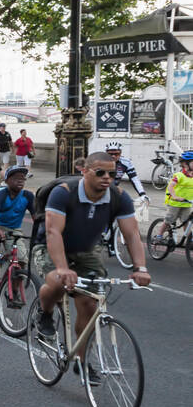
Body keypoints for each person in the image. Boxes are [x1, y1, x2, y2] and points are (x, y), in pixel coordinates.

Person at [35, 151, 149, 382]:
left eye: (112, 172)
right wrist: (62, 268)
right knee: (57, 282)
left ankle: (81, 359)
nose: (107, 177)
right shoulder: (63, 193)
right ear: (85, 171)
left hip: (87, 250)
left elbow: (132, 233)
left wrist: (141, 268)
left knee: (89, 302)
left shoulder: (119, 196)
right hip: (51, 247)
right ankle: (44, 312)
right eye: (100, 172)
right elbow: (53, 231)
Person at [151, 150, 193, 241]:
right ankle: (159, 235)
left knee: (186, 222)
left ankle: (190, 240)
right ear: (185, 164)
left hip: (187, 204)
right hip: (175, 203)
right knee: (168, 220)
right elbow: (170, 186)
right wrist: (175, 196)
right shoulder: (179, 175)